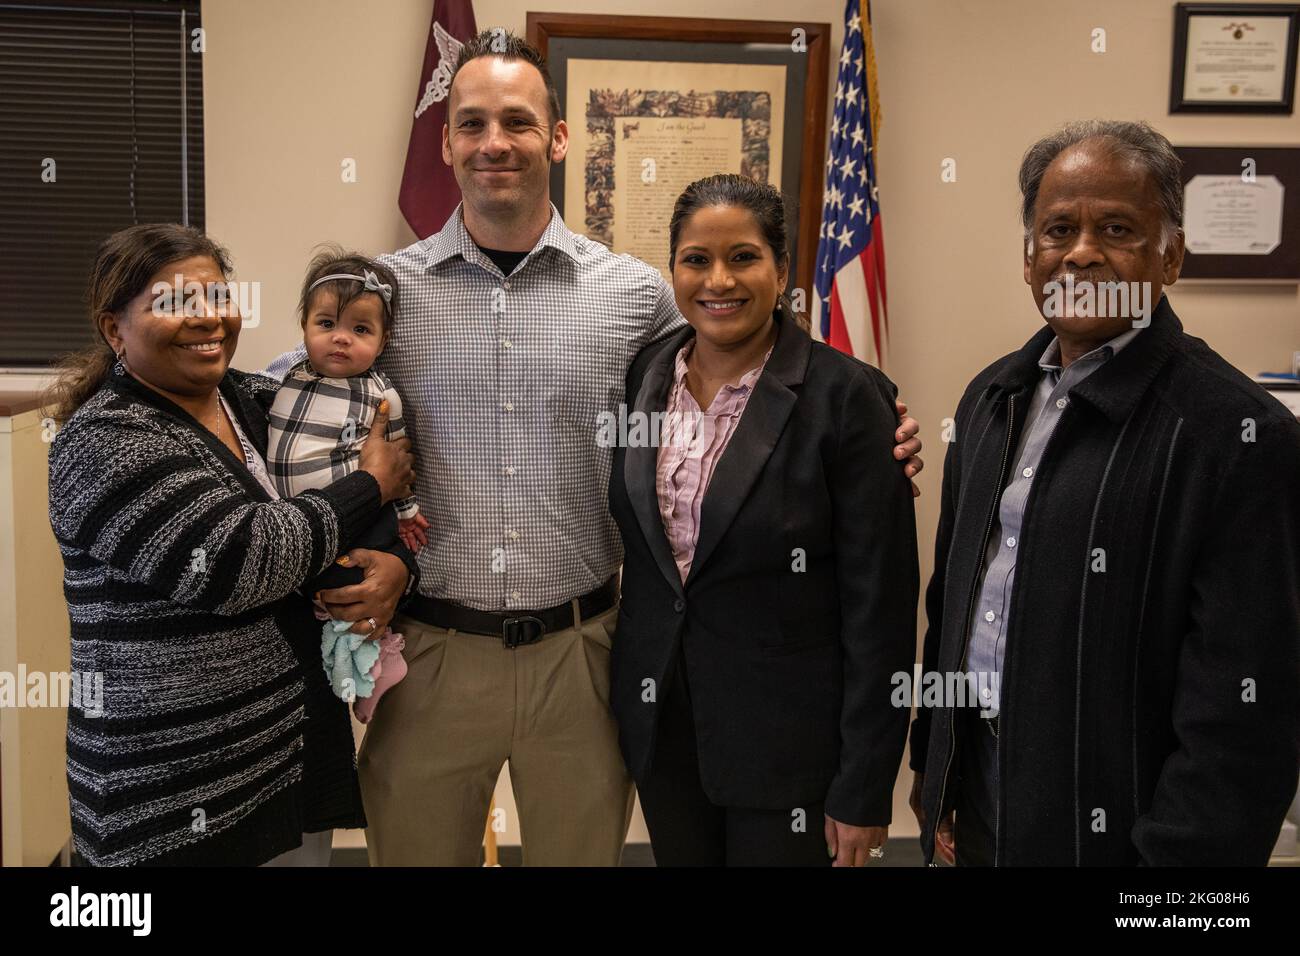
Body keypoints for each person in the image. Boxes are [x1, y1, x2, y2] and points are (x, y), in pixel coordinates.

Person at [268, 30, 924, 866]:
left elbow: (740, 378)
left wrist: (880, 434)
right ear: (446, 141)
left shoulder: (635, 295)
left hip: (583, 656)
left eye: (517, 121)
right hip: (430, 653)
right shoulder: (385, 292)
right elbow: (288, 394)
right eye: (471, 124)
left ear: (560, 137)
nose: (494, 143)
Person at [908, 120, 1300, 866]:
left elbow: (1246, 709)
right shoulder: (990, 399)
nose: (1082, 251)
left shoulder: (1237, 434)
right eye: (1059, 229)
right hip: (985, 794)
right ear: (1030, 260)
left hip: (1126, 835)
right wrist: (940, 772)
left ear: (1171, 256)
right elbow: (953, 606)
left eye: (1117, 228)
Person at [44, 223, 417, 866]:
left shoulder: (255, 400)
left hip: (282, 768)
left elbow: (369, 462)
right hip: (172, 798)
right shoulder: (101, 441)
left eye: (218, 297)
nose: (207, 319)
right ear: (114, 330)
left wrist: (397, 565)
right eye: (175, 304)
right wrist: (370, 486)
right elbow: (240, 562)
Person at [609, 174, 919, 866]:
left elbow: (882, 609)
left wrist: (864, 785)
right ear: (673, 271)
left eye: (743, 257)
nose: (719, 279)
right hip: (665, 730)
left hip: (791, 753)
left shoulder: (848, 398)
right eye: (696, 259)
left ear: (782, 268)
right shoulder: (645, 377)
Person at [268, 247, 425, 724]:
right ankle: (358, 668)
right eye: (326, 325)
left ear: (383, 340)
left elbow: (398, 461)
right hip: (302, 518)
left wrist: (408, 514)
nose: (340, 340)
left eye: (360, 330)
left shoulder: (380, 395)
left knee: (345, 591)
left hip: (357, 518)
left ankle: (380, 662)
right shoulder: (284, 375)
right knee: (315, 596)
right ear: (304, 327)